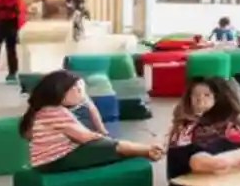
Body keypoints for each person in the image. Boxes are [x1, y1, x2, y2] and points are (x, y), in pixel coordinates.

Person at [20, 70, 163, 172]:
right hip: (57, 161)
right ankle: (147, 150)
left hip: (48, 161)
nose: (81, 94)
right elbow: (85, 137)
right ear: (61, 93)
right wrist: (103, 138)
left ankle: (145, 150)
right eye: (77, 90)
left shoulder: (44, 111)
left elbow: (88, 113)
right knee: (109, 146)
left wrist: (101, 134)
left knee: (105, 145)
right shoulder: (57, 112)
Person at [162, 77, 240, 186]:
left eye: (206, 95)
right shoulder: (185, 120)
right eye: (195, 95)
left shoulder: (229, 120)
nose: (200, 99)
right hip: (190, 160)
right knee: (206, 162)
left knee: (215, 161)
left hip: (211, 159)